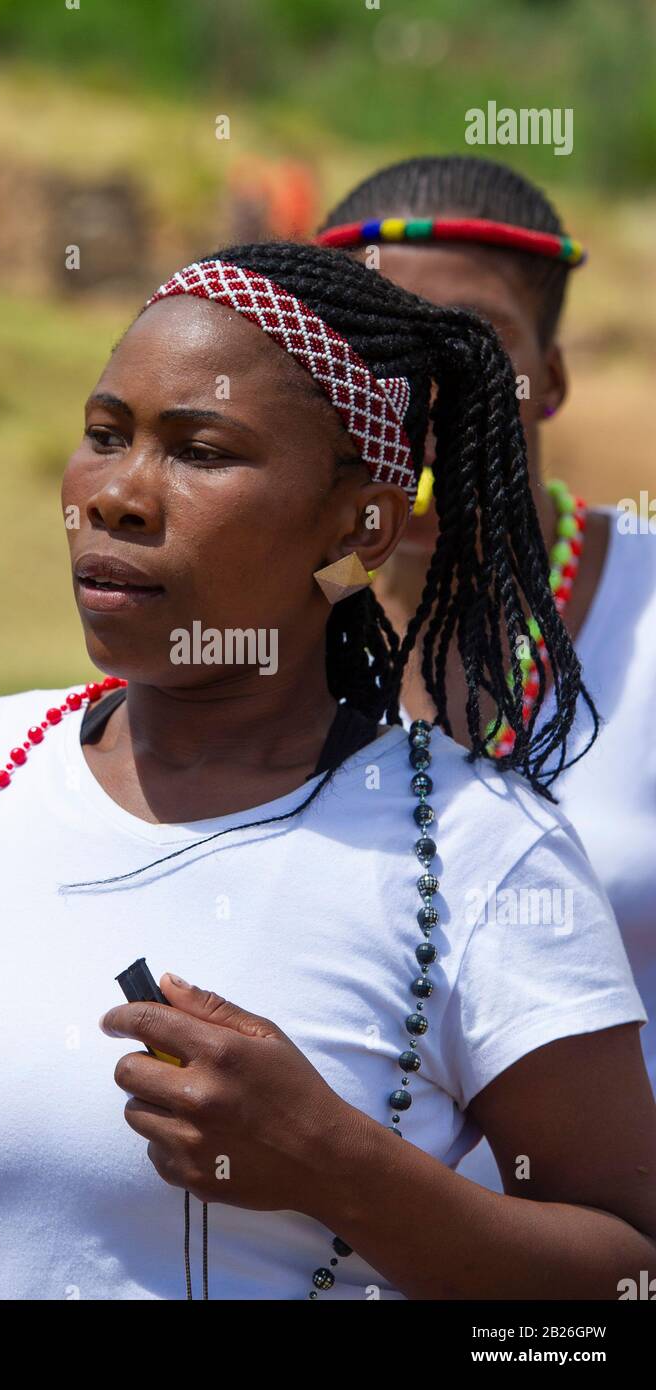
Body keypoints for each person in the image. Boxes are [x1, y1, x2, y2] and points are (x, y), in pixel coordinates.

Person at [0, 243, 655, 1302]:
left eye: (200, 451)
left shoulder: (478, 849)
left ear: (358, 522)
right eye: (104, 435)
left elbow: (631, 1273)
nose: (115, 495)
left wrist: (336, 1165)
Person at [317, 154, 656, 1194]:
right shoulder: (251, 635)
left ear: (549, 377)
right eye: (373, 341)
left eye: (477, 342)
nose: (420, 385)